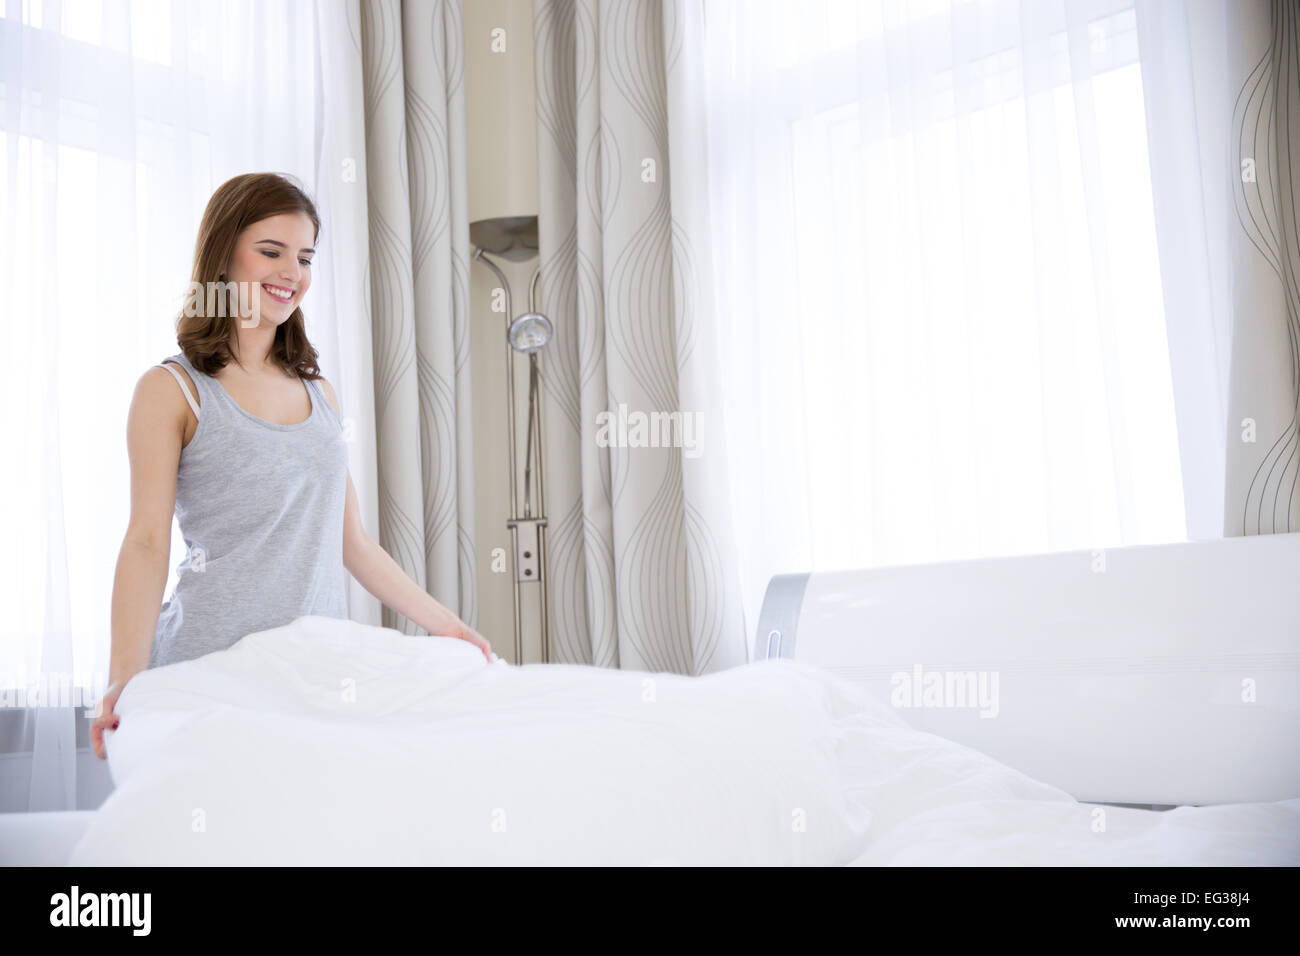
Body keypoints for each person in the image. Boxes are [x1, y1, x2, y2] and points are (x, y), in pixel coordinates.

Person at [92, 172, 490, 760]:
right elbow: (147, 542)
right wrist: (122, 682)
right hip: (210, 669)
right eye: (271, 252)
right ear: (223, 256)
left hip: (314, 670)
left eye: (304, 257)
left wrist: (447, 625)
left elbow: (351, 542)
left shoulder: (320, 394)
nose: (292, 274)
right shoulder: (172, 389)